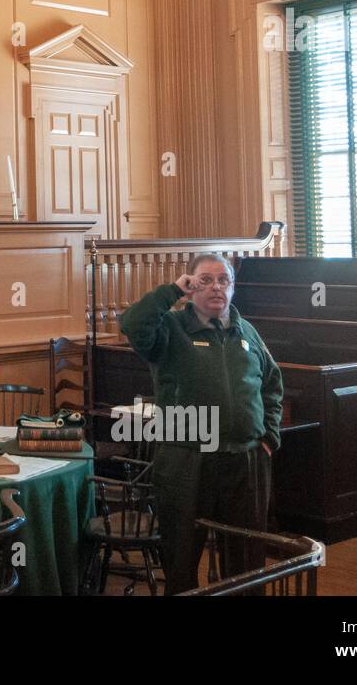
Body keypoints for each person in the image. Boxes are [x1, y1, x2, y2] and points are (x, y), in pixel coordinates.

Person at [118, 252, 283, 594]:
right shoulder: (170, 328)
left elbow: (271, 384)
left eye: (223, 280)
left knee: (247, 561)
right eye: (205, 280)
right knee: (181, 558)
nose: (216, 287)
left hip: (245, 459)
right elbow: (132, 324)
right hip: (186, 460)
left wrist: (268, 437)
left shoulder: (246, 330)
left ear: (233, 288)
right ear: (191, 287)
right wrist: (171, 291)